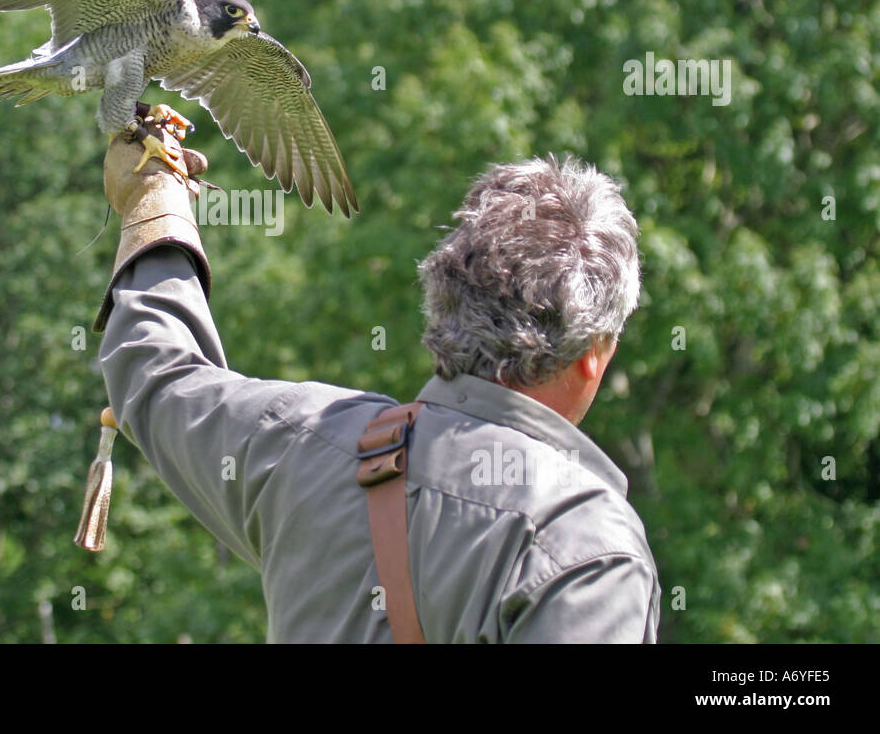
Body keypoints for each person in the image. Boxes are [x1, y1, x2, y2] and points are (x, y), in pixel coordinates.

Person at [95, 124, 661, 643]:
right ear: (592, 355)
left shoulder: (303, 442)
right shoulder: (584, 545)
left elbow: (156, 374)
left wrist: (157, 202)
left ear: (444, 301)